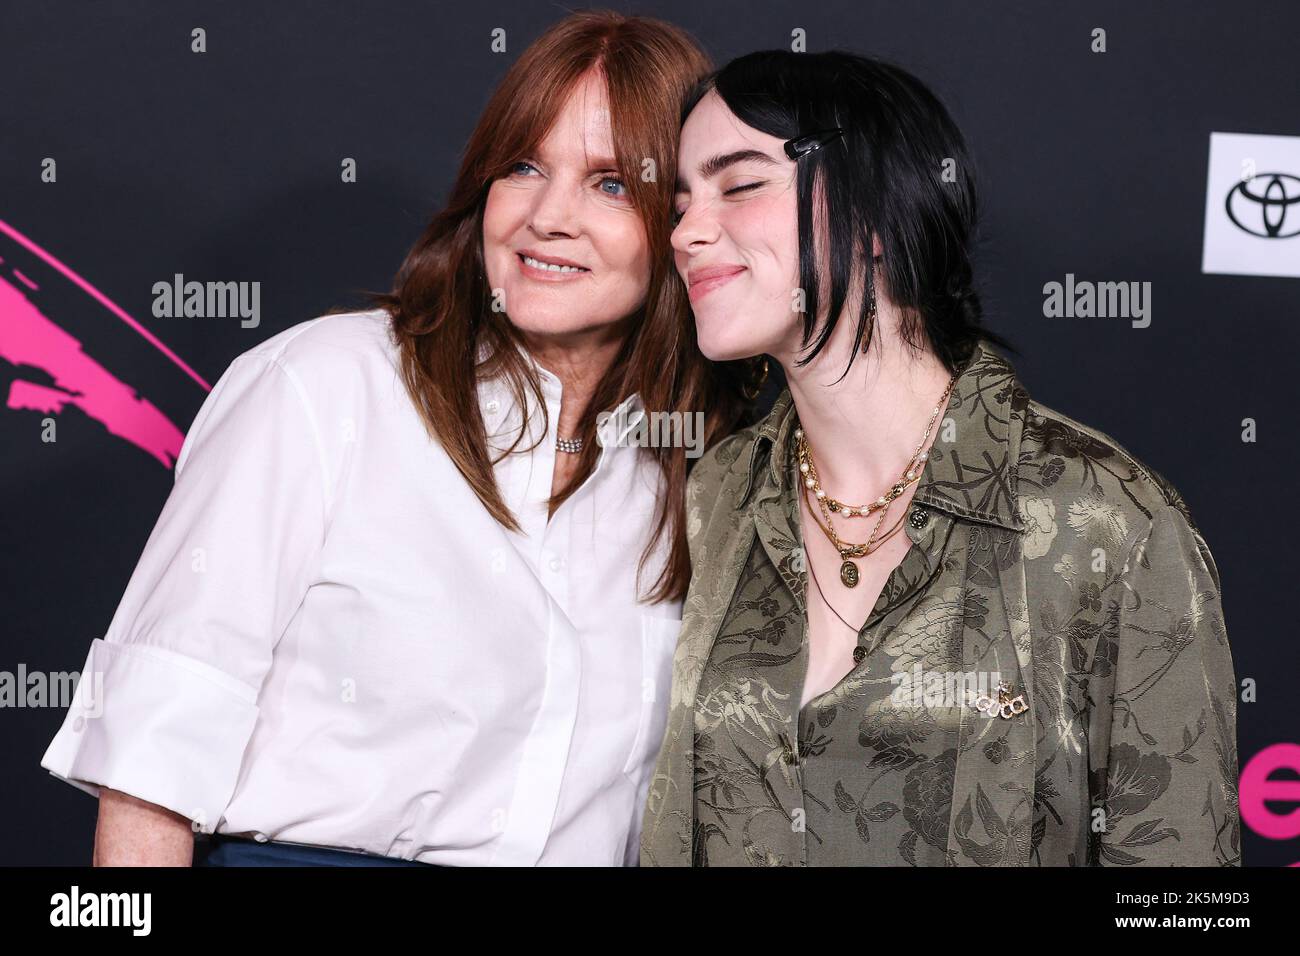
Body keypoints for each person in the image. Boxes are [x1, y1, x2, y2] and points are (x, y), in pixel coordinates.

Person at [40, 11, 752, 867]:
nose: (547, 217)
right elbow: (154, 758)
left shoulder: (702, 464)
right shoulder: (326, 384)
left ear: (683, 220)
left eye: (609, 184)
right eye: (523, 165)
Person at [641, 49, 1241, 866]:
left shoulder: (1103, 518)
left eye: (740, 184)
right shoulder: (720, 489)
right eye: (680, 202)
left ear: (880, 214)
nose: (685, 232)